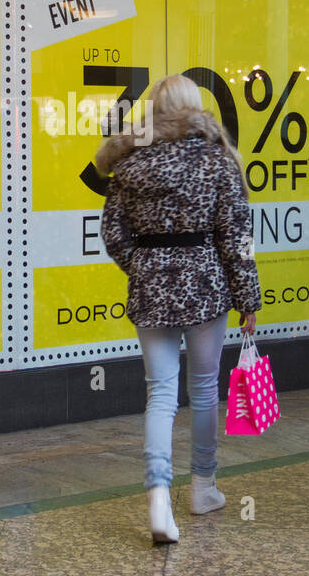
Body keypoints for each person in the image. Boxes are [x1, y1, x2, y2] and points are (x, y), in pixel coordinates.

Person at [97, 74, 261, 545]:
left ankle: (158, 497)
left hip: (151, 289)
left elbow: (113, 233)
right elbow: (235, 235)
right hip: (206, 285)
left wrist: (145, 264)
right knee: (206, 389)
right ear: (195, 107)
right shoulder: (217, 160)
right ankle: (203, 488)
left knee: (160, 393)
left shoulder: (129, 163)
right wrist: (247, 296)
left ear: (155, 109)